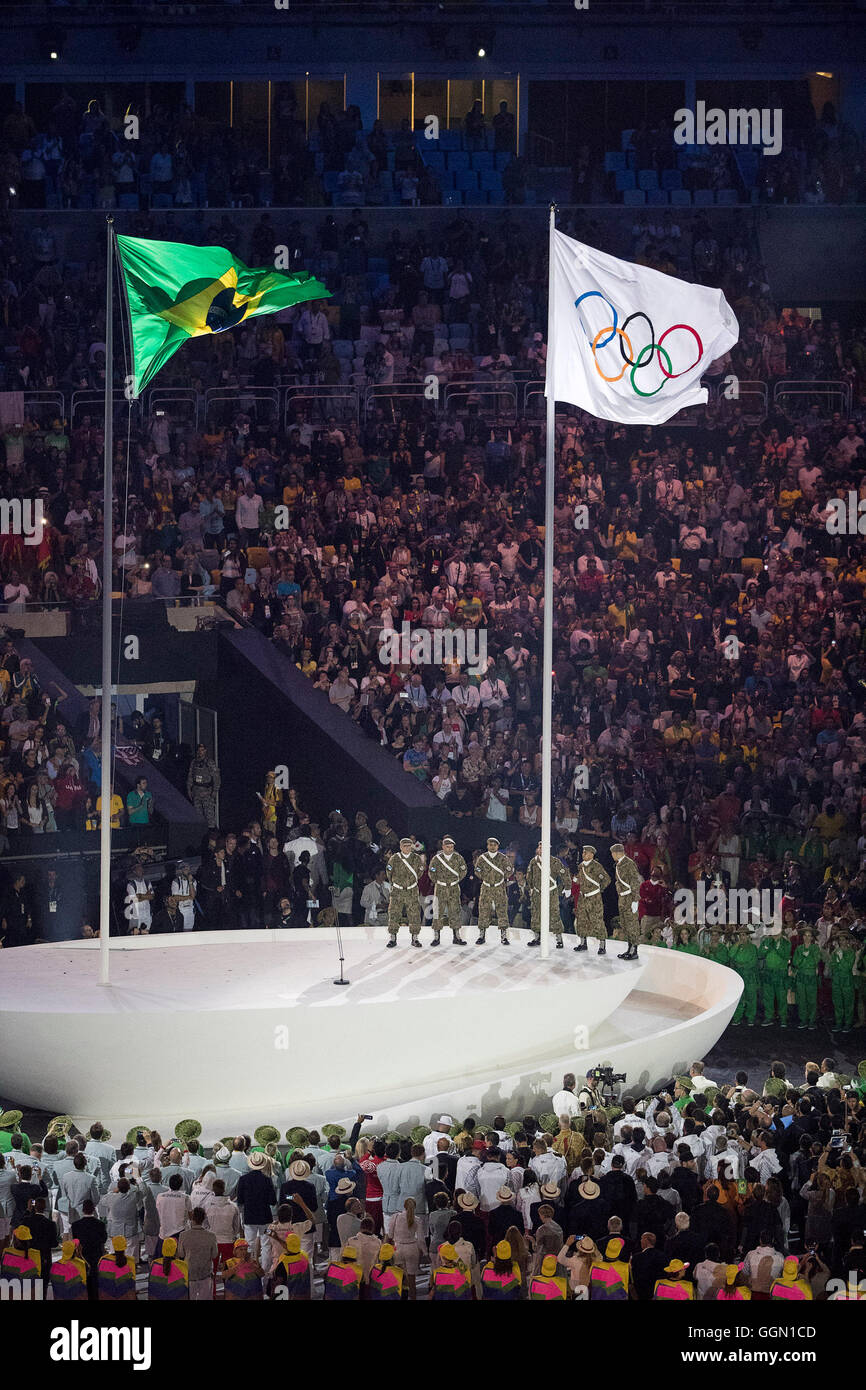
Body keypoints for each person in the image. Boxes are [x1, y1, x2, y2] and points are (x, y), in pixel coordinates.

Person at [527, 843, 571, 948]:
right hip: (537, 892)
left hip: (551, 892)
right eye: (539, 848)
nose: (540, 850)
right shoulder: (534, 861)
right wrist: (531, 888)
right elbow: (529, 876)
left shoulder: (555, 862)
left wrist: (568, 887)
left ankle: (559, 939)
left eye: (543, 848)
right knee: (536, 915)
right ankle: (537, 938)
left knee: (554, 915)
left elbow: (564, 874)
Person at [428, 836, 468, 946]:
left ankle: (456, 936)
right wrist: (439, 881)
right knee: (438, 912)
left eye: (451, 847)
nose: (450, 849)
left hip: (454, 888)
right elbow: (431, 872)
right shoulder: (437, 859)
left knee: (455, 911)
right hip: (440, 887)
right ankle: (436, 937)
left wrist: (456, 880)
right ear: (443, 847)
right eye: (447, 847)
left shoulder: (458, 858)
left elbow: (464, 870)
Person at [385, 837, 424, 947]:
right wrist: (397, 882)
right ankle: (393, 938)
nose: (407, 848)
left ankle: (415, 938)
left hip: (411, 890)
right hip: (398, 890)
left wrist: (410, 882)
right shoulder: (394, 858)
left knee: (414, 913)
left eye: (409, 846)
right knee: (394, 913)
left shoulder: (416, 858)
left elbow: (420, 872)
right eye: (405, 846)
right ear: (401, 847)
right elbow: (389, 873)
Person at [574, 844, 611, 954]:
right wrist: (576, 880)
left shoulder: (597, 866)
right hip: (582, 897)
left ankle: (602, 945)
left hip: (594, 898)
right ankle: (583, 943)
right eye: (583, 852)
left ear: (591, 854)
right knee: (581, 920)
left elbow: (607, 879)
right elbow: (582, 879)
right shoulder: (581, 866)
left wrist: (600, 889)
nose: (583, 854)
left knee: (597, 921)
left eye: (586, 852)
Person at [476, 836, 510, 945]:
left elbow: (509, 870)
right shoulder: (482, 858)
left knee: (502, 910)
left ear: (498, 846)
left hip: (499, 887)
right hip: (486, 887)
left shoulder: (503, 858)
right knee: (484, 910)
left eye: (494, 845)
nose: (492, 847)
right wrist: (485, 877)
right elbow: (477, 870)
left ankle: (503, 936)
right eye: (490, 845)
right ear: (487, 846)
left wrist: (501, 879)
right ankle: (482, 935)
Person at [612, 842, 642, 960]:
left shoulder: (629, 864)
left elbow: (635, 881)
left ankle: (634, 950)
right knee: (625, 923)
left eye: (613, 853)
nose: (612, 855)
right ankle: (629, 948)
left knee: (632, 924)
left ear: (619, 852)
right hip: (622, 898)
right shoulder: (619, 864)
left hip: (630, 897)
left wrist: (635, 899)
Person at [97, 1236, 137, 1300]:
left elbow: (100, 1280)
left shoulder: (103, 1259)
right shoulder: (131, 1261)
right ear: (125, 1246)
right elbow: (132, 1282)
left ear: (113, 1245)